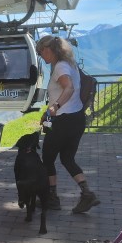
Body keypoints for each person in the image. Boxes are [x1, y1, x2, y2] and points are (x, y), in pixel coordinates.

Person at [35, 35, 99, 213]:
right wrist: (47, 114)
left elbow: (68, 87)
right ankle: (87, 194)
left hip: (61, 120)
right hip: (76, 118)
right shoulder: (71, 64)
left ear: (49, 50)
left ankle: (52, 198)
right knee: (67, 158)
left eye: (41, 53)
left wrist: (55, 107)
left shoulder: (60, 67)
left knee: (47, 159)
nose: (42, 57)